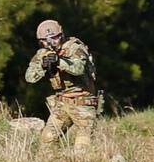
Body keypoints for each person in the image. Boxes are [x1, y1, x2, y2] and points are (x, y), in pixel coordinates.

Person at [24, 20, 99, 154]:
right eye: (46, 40)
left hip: (83, 103)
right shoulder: (43, 53)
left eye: (55, 37)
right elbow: (29, 78)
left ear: (61, 35)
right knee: (47, 141)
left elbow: (78, 69)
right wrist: (42, 66)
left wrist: (59, 61)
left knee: (82, 149)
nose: (51, 42)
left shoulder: (75, 47)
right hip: (62, 104)